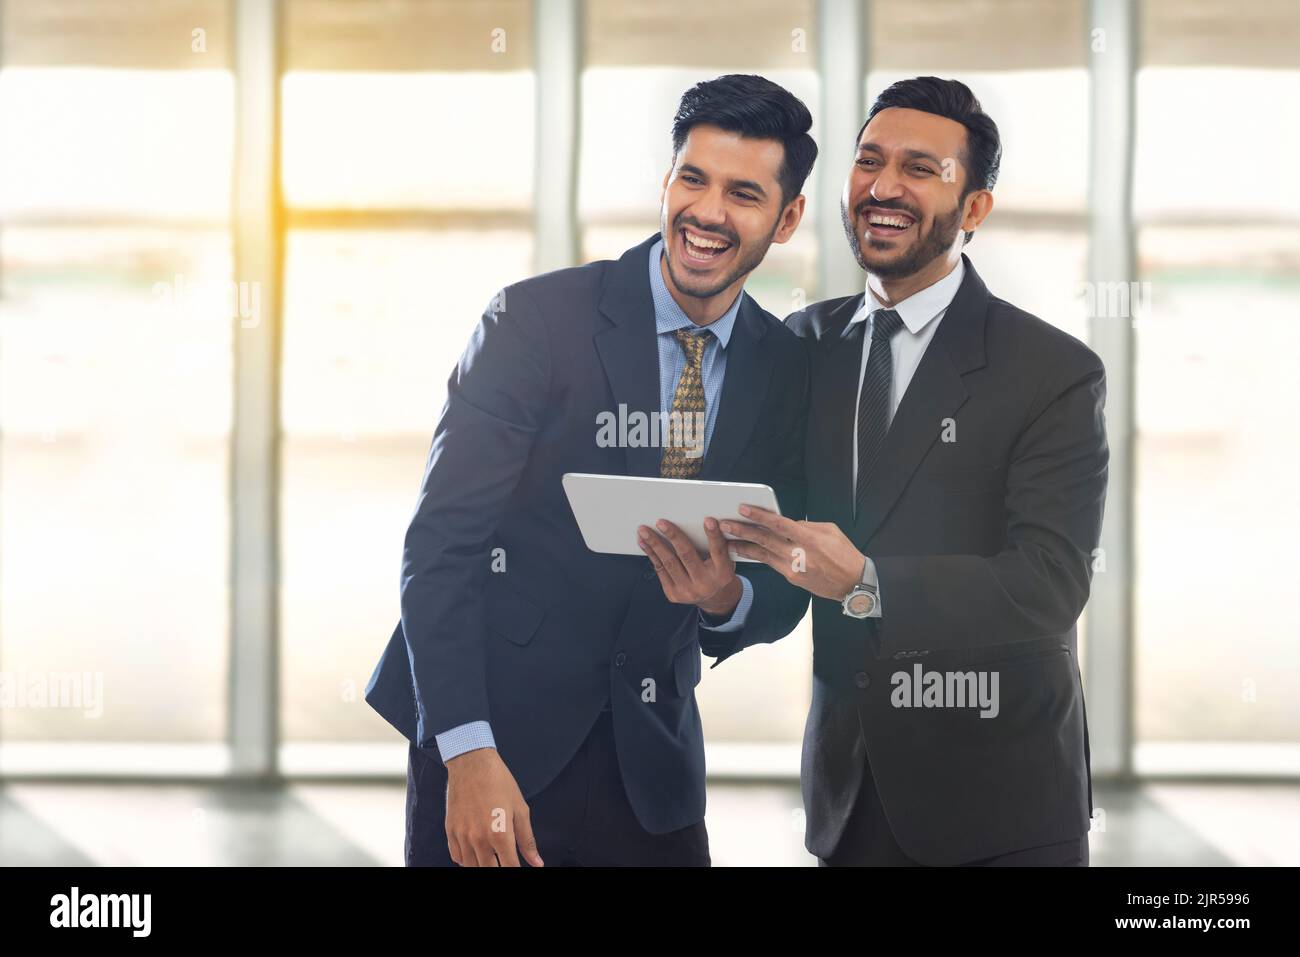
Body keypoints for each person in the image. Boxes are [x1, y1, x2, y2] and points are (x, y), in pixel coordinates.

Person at [365, 74, 816, 866]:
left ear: (787, 219)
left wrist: (726, 596)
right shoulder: (534, 322)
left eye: (744, 193)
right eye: (692, 178)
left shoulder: (784, 366)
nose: (708, 212)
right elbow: (441, 546)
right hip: (497, 743)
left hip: (652, 767)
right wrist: (465, 754)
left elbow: (782, 578)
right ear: (666, 181)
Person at [713, 76, 1108, 866]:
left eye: (921, 168)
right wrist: (726, 598)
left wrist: (869, 581)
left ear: (973, 211)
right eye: (869, 160)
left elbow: (1050, 581)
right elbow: (792, 561)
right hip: (848, 797)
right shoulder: (803, 347)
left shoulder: (1052, 371)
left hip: (1002, 806)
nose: (884, 186)